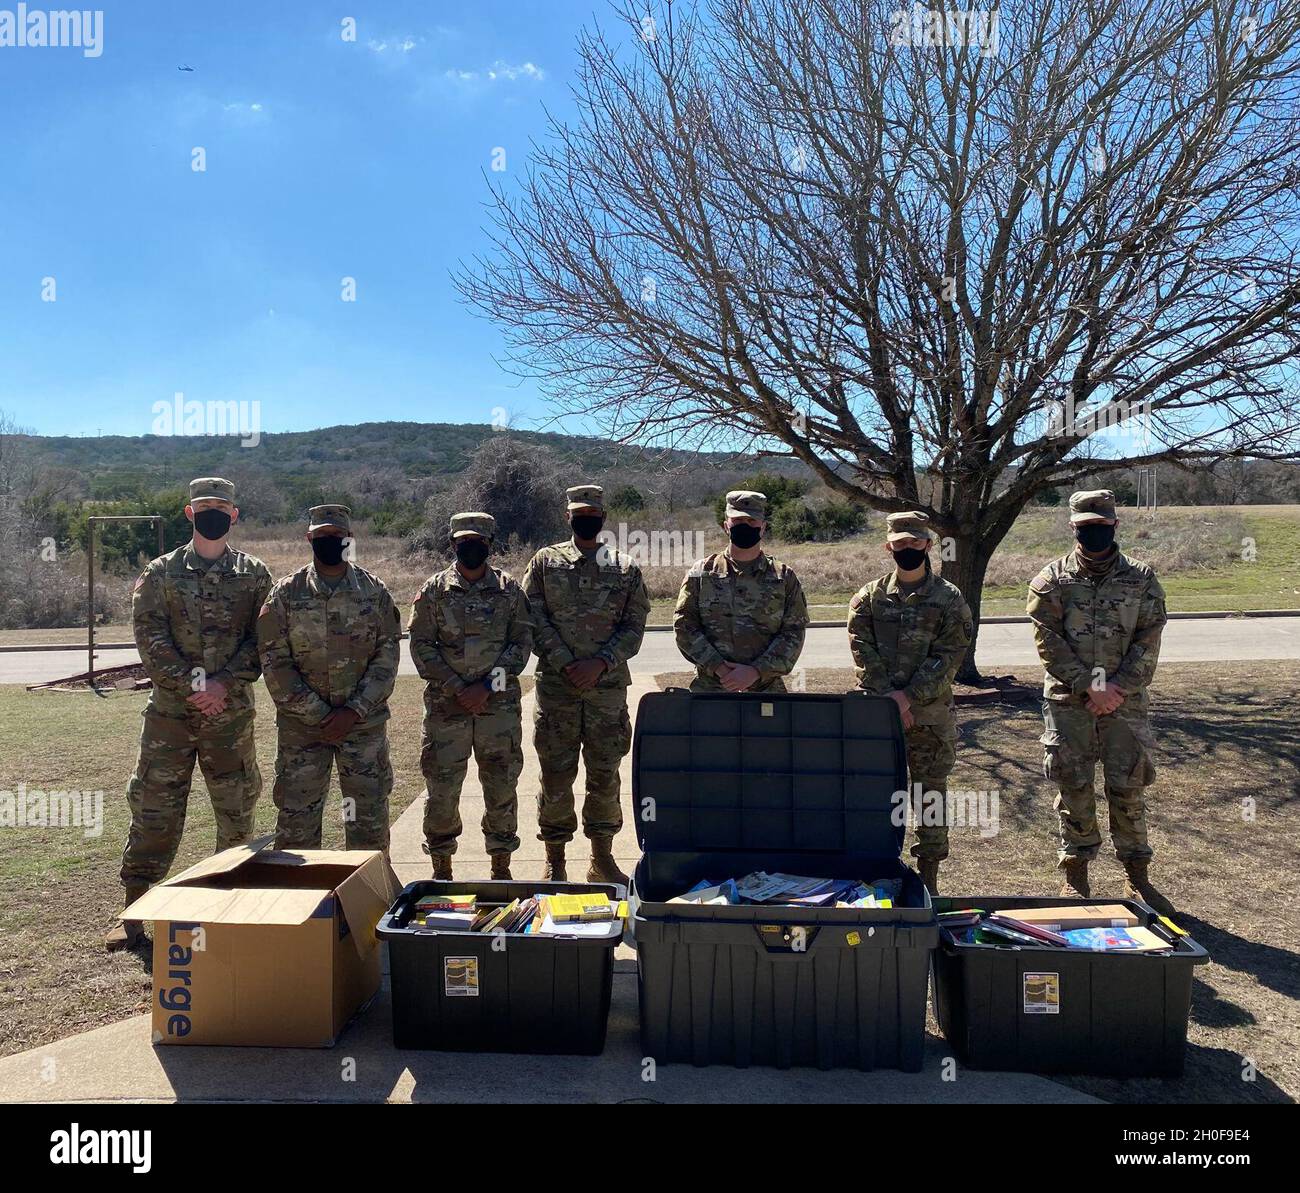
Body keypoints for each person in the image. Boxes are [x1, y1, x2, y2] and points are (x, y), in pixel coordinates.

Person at [107, 477, 272, 950]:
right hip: (170, 717)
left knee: (236, 810)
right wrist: (199, 686)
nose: (213, 514)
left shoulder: (256, 575)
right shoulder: (160, 572)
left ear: (234, 514)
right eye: (205, 507)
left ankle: (230, 905)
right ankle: (135, 913)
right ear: (189, 513)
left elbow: (264, 640)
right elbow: (150, 639)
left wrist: (224, 683)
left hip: (231, 715)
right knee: (154, 809)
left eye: (221, 507)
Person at [1026, 489, 1174, 913]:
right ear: (1073, 527)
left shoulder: (1142, 579)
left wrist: (1115, 690)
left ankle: (1137, 876)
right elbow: (1048, 644)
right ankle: (1076, 875)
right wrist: (1090, 687)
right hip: (1069, 703)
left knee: (1129, 786)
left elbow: (1148, 642)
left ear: (1115, 526)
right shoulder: (1050, 581)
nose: (1094, 534)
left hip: (1124, 704)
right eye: (1086, 527)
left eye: (1101, 526)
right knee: (1073, 786)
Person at [522, 484, 649, 884]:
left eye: (593, 513)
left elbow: (634, 625)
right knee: (556, 777)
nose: (586, 519)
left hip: (606, 693)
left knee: (605, 776)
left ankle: (601, 859)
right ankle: (555, 861)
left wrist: (601, 662)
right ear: (568, 517)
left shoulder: (625, 567)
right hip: (558, 691)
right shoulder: (545, 562)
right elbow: (532, 617)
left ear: (603, 518)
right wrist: (566, 663)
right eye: (579, 512)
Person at [257, 505, 400, 852]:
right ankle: (301, 902)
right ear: (309, 538)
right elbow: (274, 661)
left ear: (348, 540)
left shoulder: (373, 591)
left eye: (336, 537)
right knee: (297, 824)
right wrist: (319, 715)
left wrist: (354, 710)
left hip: (362, 728)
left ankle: (369, 900)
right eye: (321, 537)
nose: (329, 542)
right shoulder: (285, 594)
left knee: (367, 821)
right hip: (303, 731)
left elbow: (388, 654)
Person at [847, 512, 972, 895]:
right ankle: (878, 873)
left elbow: (950, 655)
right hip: (879, 721)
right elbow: (862, 650)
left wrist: (907, 698)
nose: (907, 550)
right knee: (875, 797)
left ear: (928, 546)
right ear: (888, 547)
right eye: (899, 544)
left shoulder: (949, 599)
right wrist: (890, 700)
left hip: (929, 718)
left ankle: (929, 878)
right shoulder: (868, 598)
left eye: (914, 543)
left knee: (929, 796)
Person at [408, 512, 532, 880]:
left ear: (490, 545)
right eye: (464, 542)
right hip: (447, 711)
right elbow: (420, 646)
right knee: (442, 789)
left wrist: (486, 687)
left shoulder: (510, 591)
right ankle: (442, 868)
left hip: (498, 711)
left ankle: (500, 866)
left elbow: (521, 645)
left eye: (477, 541)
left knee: (501, 787)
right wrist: (458, 687)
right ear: (452, 544)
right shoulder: (433, 591)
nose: (470, 547)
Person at [673, 490, 808, 692]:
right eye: (738, 522)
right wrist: (720, 668)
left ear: (763, 528)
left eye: (752, 522)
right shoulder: (701, 573)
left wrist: (755, 671)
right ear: (726, 526)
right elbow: (684, 625)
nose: (745, 527)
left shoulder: (783, 577)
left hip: (765, 690)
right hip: (711, 690)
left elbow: (793, 633)